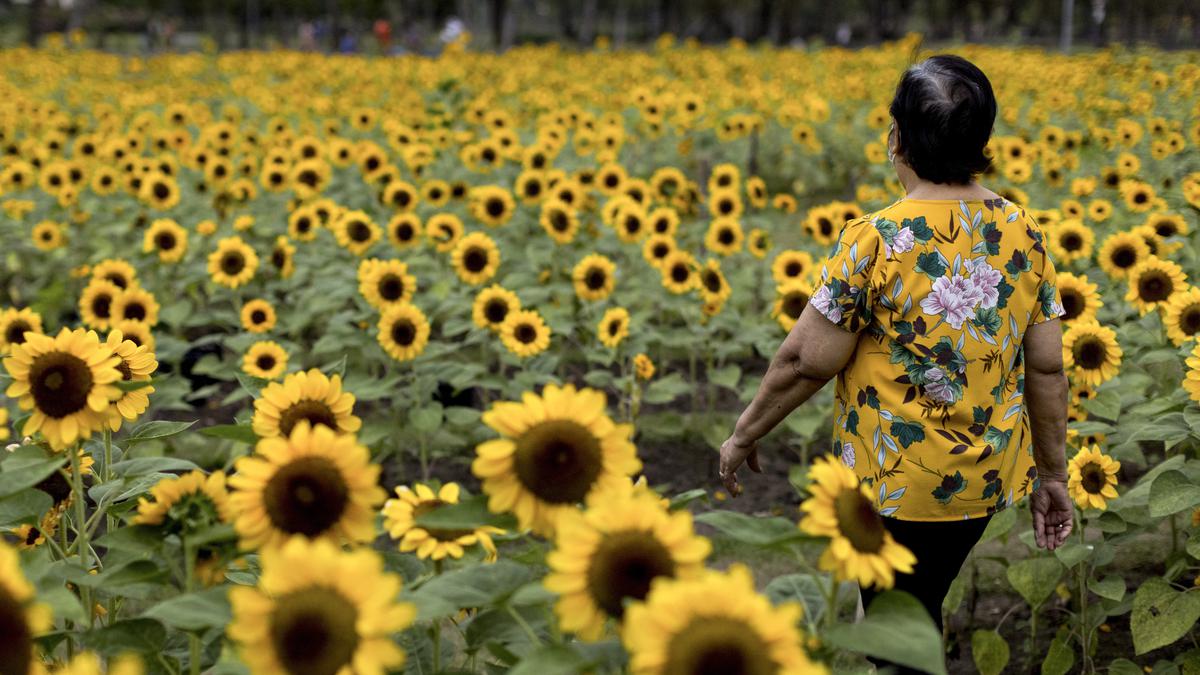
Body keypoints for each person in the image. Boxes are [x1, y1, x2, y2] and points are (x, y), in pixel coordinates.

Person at [719, 54, 1074, 671]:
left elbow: (807, 358)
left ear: (898, 139)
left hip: (895, 488)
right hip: (982, 482)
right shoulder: (1023, 230)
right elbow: (1047, 368)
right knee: (904, 611)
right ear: (982, 142)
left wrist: (744, 432)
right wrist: (1053, 476)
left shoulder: (878, 239)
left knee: (898, 636)